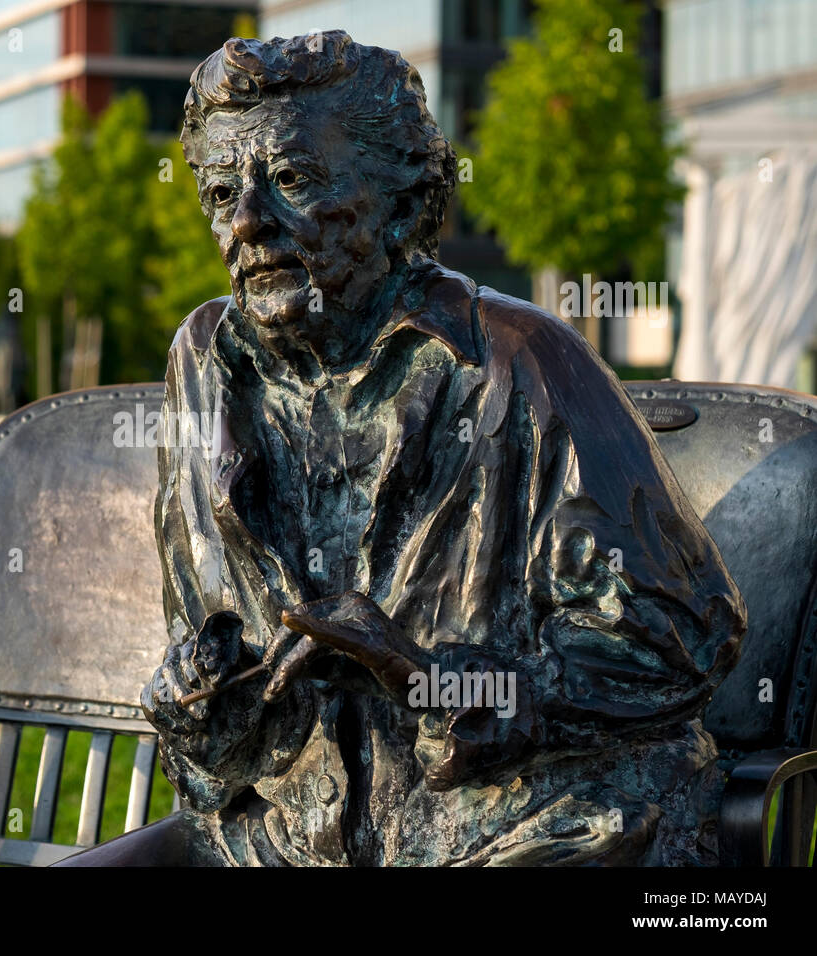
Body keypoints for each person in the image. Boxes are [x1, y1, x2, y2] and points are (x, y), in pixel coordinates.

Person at [58, 31, 745, 867]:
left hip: (519, 830)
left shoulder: (523, 360)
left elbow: (676, 644)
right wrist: (199, 700)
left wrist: (425, 677)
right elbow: (201, 639)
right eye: (218, 192)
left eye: (292, 182)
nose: (245, 223)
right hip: (283, 843)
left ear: (401, 197)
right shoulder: (207, 359)